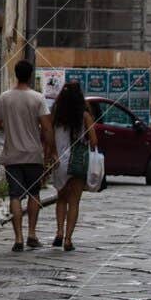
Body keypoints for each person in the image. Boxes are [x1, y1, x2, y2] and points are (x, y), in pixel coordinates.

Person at [0, 60, 55, 253]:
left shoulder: (5, 98)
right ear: (29, 76)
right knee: (34, 195)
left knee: (14, 196)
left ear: (16, 74)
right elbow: (46, 127)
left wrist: (10, 126)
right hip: (33, 155)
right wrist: (50, 152)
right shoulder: (37, 98)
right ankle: (32, 234)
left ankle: (18, 238)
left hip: (12, 155)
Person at [51, 80, 98, 252]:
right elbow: (94, 141)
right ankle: (68, 240)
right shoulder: (84, 116)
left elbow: (48, 136)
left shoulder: (56, 114)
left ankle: (59, 231)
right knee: (74, 202)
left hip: (59, 162)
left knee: (61, 199)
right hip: (78, 161)